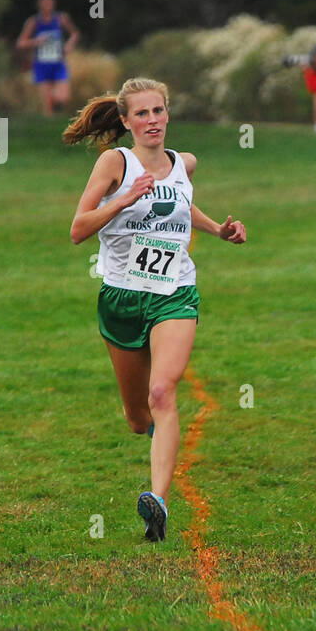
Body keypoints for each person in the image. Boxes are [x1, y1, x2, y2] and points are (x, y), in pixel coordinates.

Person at [65, 77, 247, 542]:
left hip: (174, 293)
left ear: (169, 114)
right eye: (142, 114)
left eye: (159, 111)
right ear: (125, 121)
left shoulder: (182, 163)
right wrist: (123, 199)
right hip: (122, 297)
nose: (153, 121)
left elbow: (181, 204)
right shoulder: (114, 163)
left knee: (163, 392)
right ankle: (152, 438)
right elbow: (78, 229)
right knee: (137, 417)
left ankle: (158, 501)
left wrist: (218, 231)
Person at [16, 0, 80, 117]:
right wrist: (36, 42)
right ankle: (49, 129)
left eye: (49, 3)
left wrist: (69, 45)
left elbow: (74, 33)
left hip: (58, 62)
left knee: (64, 97)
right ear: (39, 5)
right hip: (41, 64)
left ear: (53, 4)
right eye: (44, 3)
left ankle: (52, 99)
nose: (47, 6)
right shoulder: (33, 22)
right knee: (47, 107)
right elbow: (20, 43)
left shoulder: (61, 18)